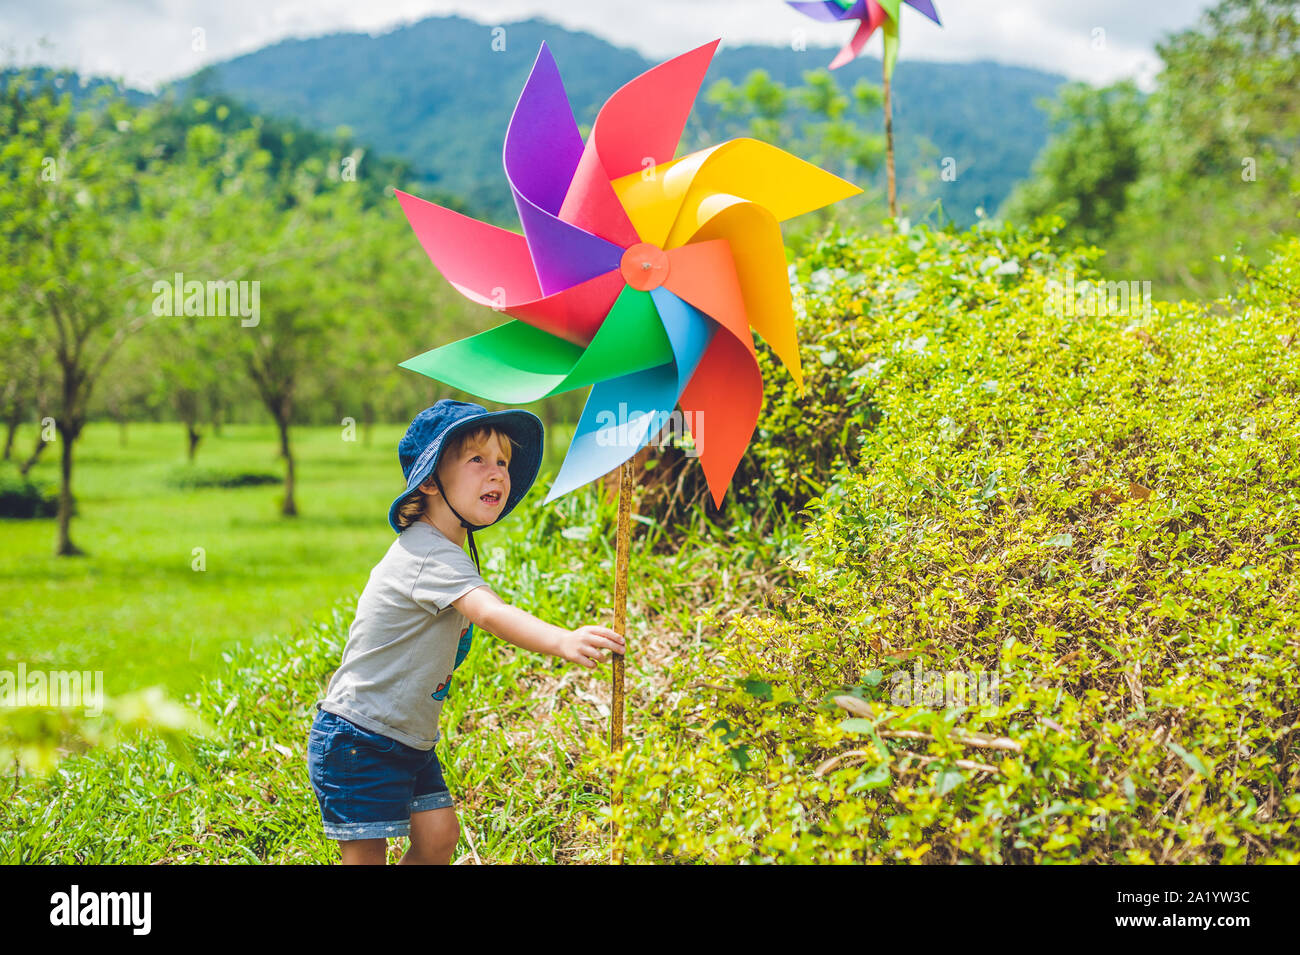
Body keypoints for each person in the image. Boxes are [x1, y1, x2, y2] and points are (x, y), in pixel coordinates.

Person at [307, 399, 625, 865]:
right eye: (477, 460)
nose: (496, 473)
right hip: (361, 737)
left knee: (439, 839)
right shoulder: (426, 553)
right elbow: (491, 614)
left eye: (502, 462)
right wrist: (561, 639)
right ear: (432, 480)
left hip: (409, 740)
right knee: (366, 857)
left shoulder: (448, 552)